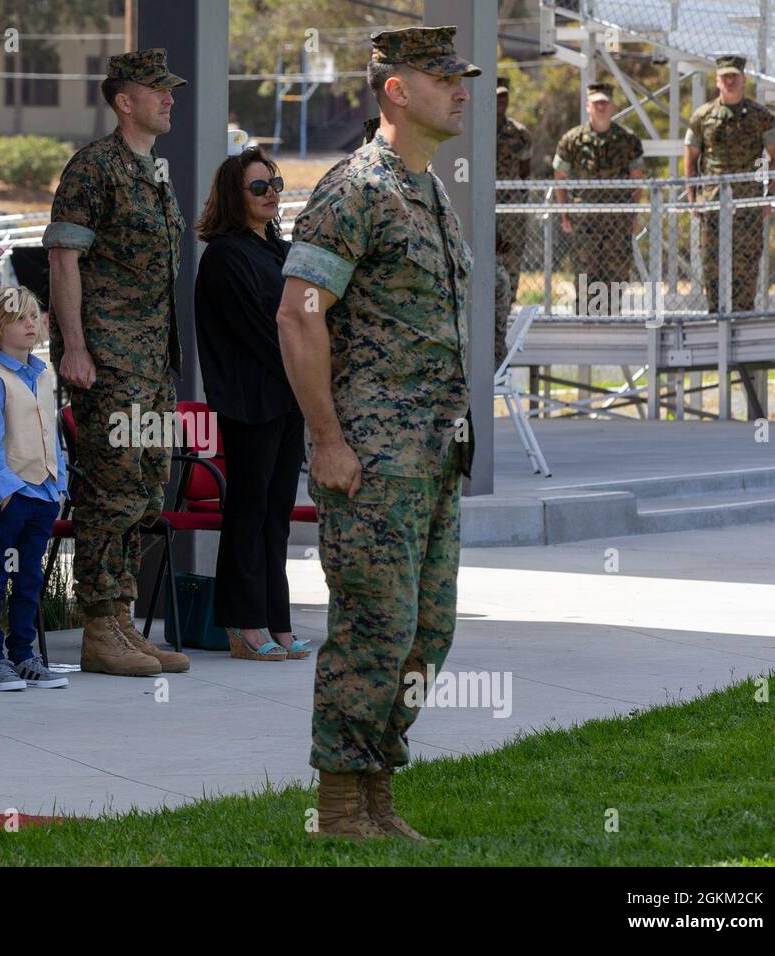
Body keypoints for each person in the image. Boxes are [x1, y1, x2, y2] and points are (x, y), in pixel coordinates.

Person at [277, 26, 478, 842]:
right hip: (371, 459)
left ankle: (378, 796)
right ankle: (338, 807)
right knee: (374, 630)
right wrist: (327, 439)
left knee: (428, 633)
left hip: (432, 457)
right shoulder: (355, 189)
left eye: (462, 78)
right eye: (445, 78)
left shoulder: (428, 192)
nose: (461, 90)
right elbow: (298, 314)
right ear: (397, 90)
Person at [43, 48, 191, 677]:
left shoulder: (153, 172)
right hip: (109, 360)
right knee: (110, 488)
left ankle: (123, 619)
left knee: (146, 484)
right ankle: (99, 626)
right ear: (124, 102)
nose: (169, 98)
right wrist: (76, 346)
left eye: (170, 89)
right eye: (157, 90)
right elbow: (62, 259)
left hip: (153, 361)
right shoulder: (93, 168)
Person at [194, 146, 309, 662]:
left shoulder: (281, 251)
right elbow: (262, 333)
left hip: (287, 399)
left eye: (275, 184)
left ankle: (278, 622)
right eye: (258, 187)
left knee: (276, 514)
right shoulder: (224, 255)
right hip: (250, 401)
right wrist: (306, 368)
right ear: (233, 195)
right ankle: (243, 624)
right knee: (249, 510)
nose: (271, 194)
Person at [0, 286, 70, 691]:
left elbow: (51, 433)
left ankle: (24, 654)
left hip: (43, 494)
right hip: (7, 498)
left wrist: (59, 484)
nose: (30, 324)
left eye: (32, 316)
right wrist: (7, 491)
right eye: (18, 318)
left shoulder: (43, 375)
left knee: (30, 577)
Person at [686, 55, 775, 316]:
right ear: (717, 81)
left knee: (746, 265)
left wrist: (769, 196)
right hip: (713, 203)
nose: (729, 81)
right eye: (725, 77)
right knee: (711, 264)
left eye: (734, 76)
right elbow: (691, 159)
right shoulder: (702, 116)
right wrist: (693, 199)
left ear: (743, 80)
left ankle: (743, 320)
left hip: (747, 204)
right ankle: (716, 318)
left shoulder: (760, 117)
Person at [553, 82, 645, 317]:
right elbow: (560, 177)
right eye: (596, 103)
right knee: (585, 274)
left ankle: (612, 320)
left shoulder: (628, 140)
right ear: (588, 106)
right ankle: (586, 323)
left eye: (605, 102)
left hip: (617, 221)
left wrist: (633, 214)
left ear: (612, 106)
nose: (601, 107)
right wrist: (564, 213)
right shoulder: (572, 140)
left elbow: (637, 179)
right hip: (585, 222)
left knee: (616, 274)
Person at [495, 76, 531, 368]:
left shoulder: (519, 134)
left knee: (511, 258)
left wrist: (518, 201)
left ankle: (505, 308)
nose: (501, 102)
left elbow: (525, 172)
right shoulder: (473, 127)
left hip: (509, 209)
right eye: (496, 97)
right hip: (482, 204)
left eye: (504, 97)